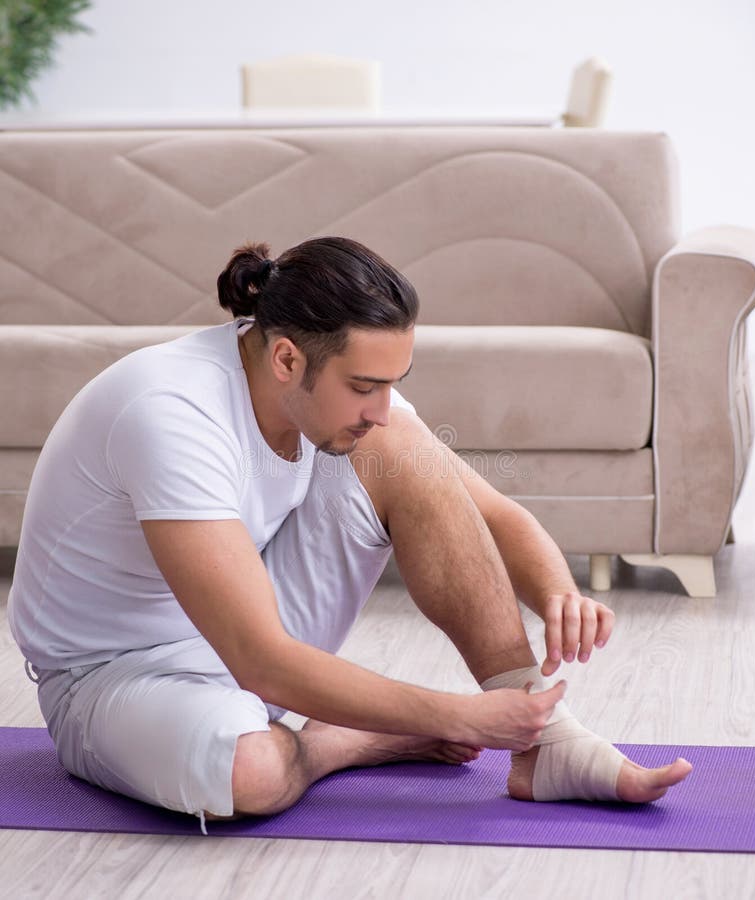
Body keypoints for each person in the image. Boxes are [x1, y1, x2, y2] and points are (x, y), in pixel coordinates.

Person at [8, 236, 692, 830]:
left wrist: (554, 589)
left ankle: (547, 745)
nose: (381, 406)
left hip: (246, 629)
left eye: (393, 382)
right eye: (365, 385)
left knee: (403, 449)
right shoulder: (169, 413)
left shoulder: (349, 402)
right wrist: (452, 716)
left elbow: (494, 512)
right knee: (251, 774)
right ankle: (342, 742)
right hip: (111, 677)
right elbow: (261, 662)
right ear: (285, 361)